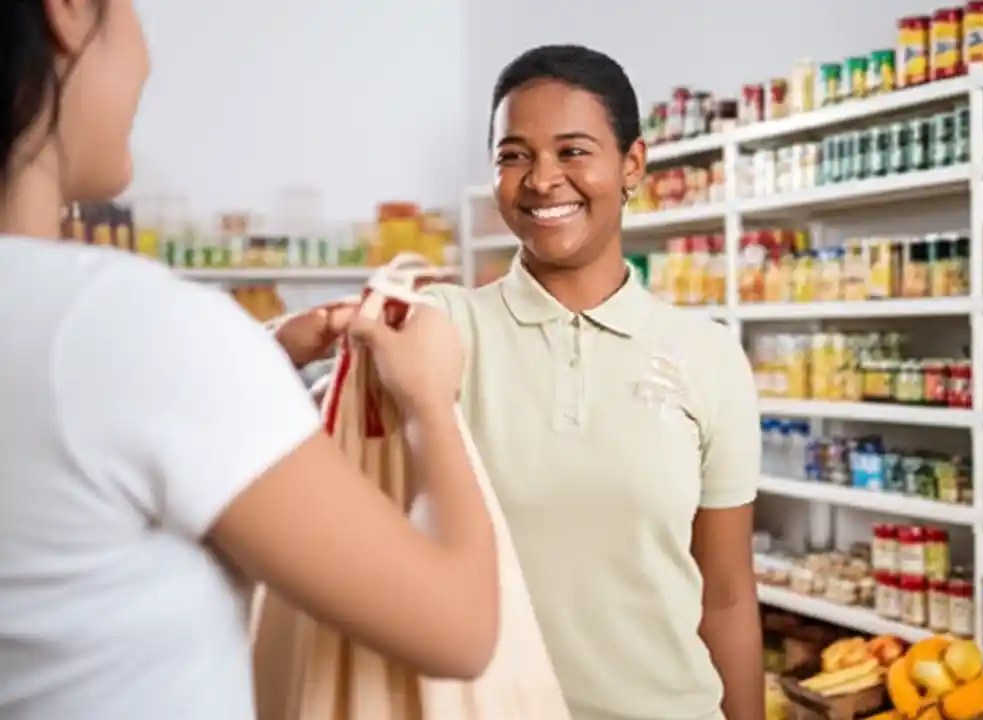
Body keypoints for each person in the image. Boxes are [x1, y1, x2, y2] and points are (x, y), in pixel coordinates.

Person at [0, 2, 500, 718]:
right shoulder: (131, 326)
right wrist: (430, 400)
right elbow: (460, 626)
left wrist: (256, 366)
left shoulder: (109, 340)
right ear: (70, 13)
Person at [286, 44, 765, 720]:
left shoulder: (708, 357)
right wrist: (292, 340)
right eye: (514, 156)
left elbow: (727, 597)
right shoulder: (444, 328)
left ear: (633, 164)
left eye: (573, 151)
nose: (542, 180)